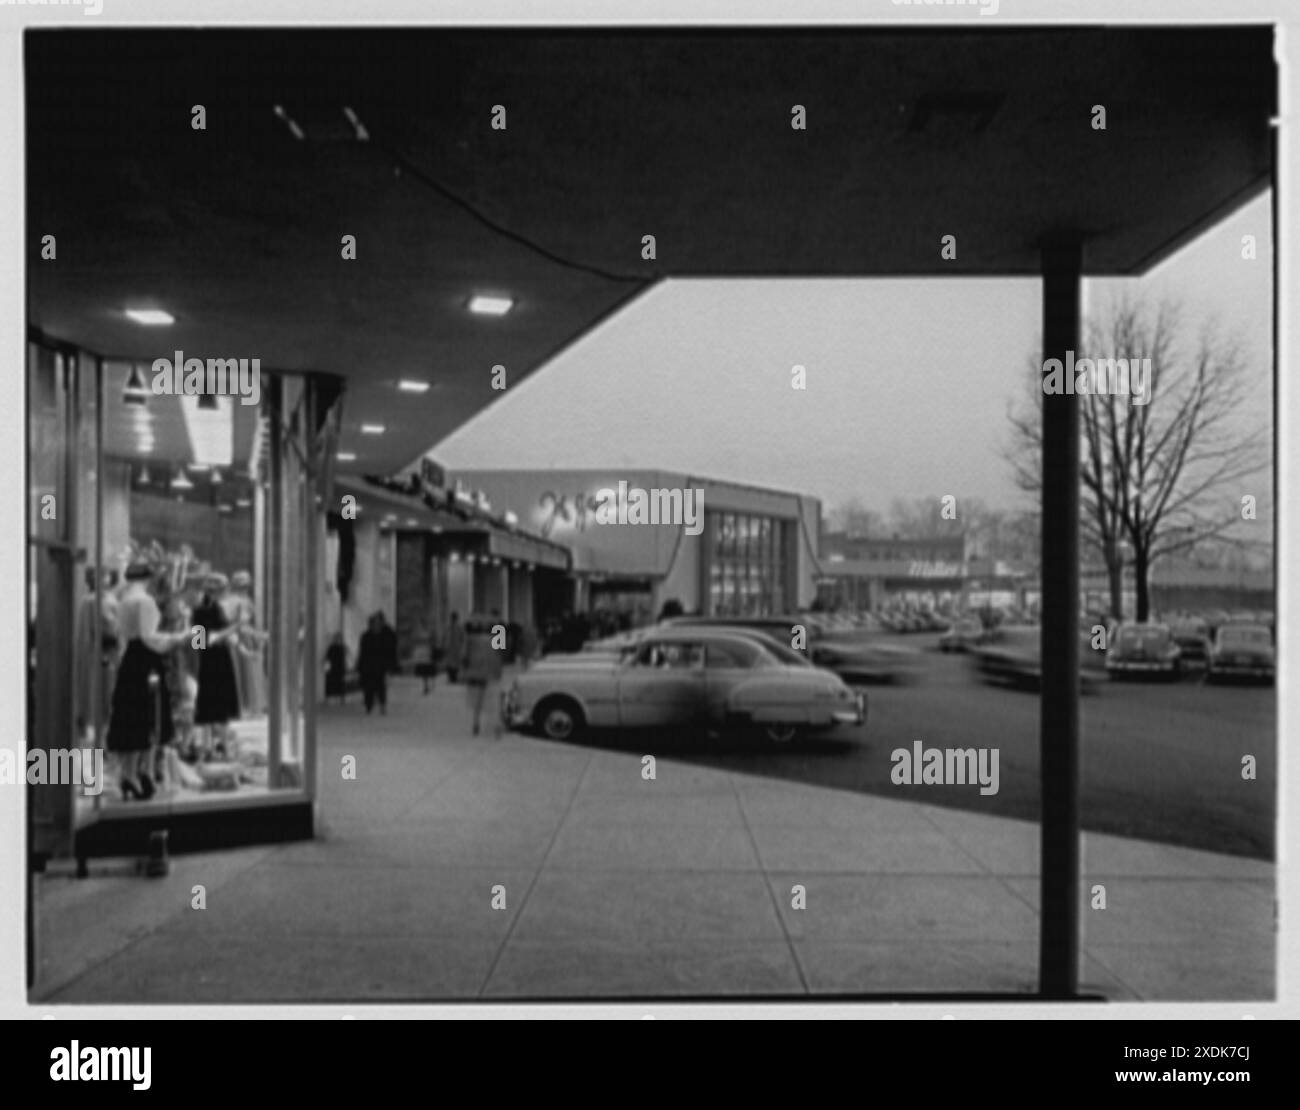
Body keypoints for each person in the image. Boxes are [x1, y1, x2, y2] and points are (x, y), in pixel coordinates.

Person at [106, 562, 189, 800]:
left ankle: (130, 774)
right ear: (148, 578)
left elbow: (127, 635)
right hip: (146, 660)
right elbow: (149, 637)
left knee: (131, 715)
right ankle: (138, 774)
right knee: (147, 715)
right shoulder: (145, 602)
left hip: (130, 660)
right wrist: (178, 637)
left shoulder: (123, 602)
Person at [191, 573, 242, 759]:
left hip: (217, 659)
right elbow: (200, 641)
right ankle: (211, 748)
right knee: (213, 706)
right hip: (212, 661)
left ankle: (214, 747)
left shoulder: (216, 608)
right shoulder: (201, 611)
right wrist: (229, 631)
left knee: (214, 706)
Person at [461, 615, 504, 736]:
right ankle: (496, 725)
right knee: (492, 702)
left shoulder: (470, 640)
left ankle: (476, 723)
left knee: (477, 702)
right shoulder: (495, 640)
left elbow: (464, 656)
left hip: (475, 674)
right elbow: (499, 657)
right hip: (491, 674)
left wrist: (465, 670)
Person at [357, 613, 389, 715]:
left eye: (378, 623)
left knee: (381, 687)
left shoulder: (383, 637)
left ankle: (382, 705)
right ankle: (368, 706)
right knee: (368, 687)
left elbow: (386, 651)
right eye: (375, 623)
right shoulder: (366, 636)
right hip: (368, 666)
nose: (377, 625)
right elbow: (362, 652)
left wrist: (387, 664)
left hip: (379, 666)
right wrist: (360, 665)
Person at [324, 632, 348, 704]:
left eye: (340, 638)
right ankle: (329, 699)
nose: (338, 640)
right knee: (331, 684)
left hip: (340, 668)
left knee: (341, 684)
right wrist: (327, 668)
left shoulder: (343, 647)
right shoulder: (331, 647)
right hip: (333, 668)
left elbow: (345, 657)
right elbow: (327, 658)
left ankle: (341, 699)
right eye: (337, 638)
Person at [444, 611, 465, 684]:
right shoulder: (449, 627)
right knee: (451, 663)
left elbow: (462, 638)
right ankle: (452, 677)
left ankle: (454, 677)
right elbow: (445, 637)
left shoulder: (458, 627)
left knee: (454, 663)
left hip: (455, 648)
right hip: (452, 648)